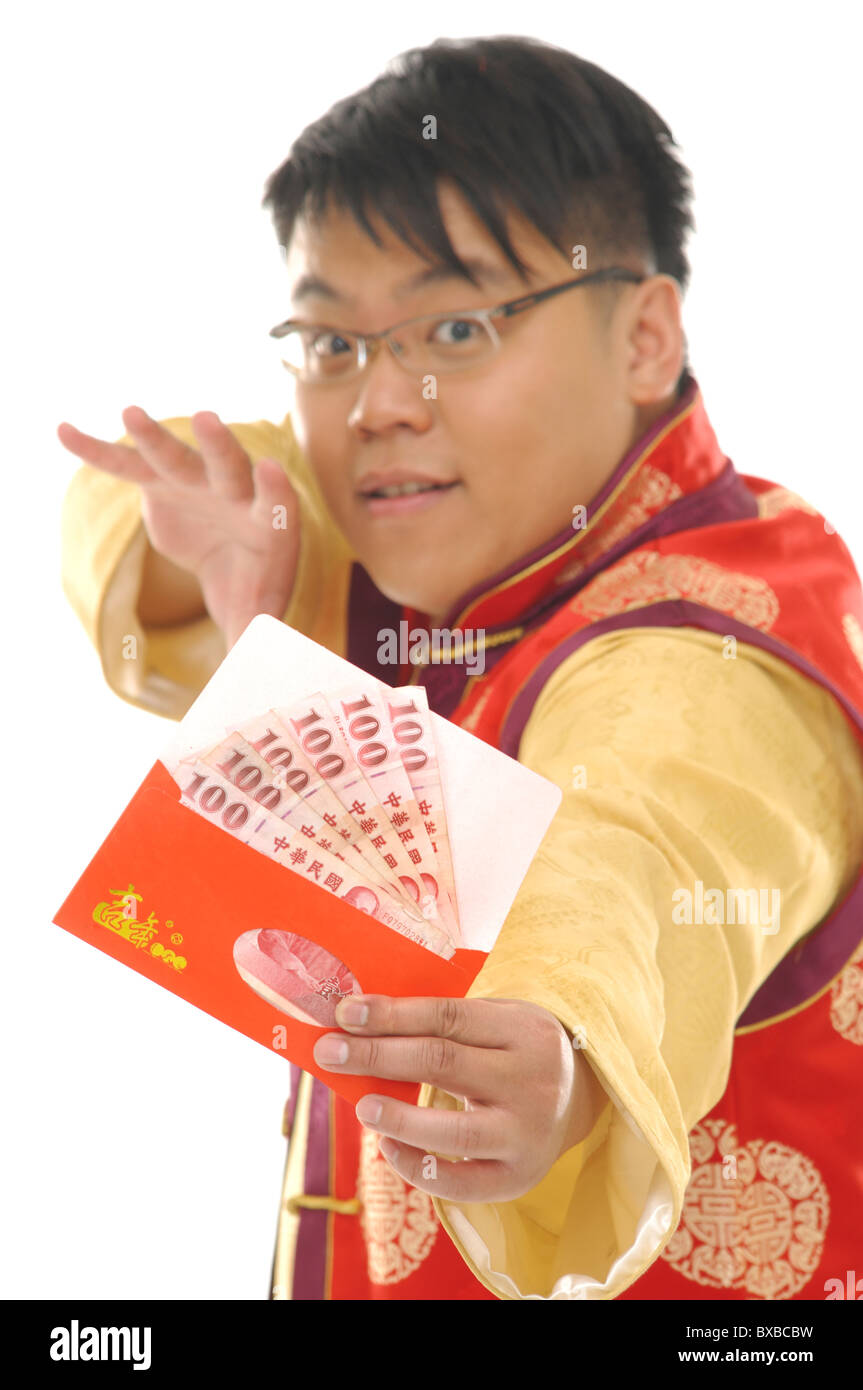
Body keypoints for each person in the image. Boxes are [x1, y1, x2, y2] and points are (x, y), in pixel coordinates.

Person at [58, 35, 863, 1301]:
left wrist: (555, 1035)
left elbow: (642, 841)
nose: (380, 402)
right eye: (329, 344)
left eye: (454, 326)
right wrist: (222, 588)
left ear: (647, 337)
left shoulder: (709, 645)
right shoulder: (442, 548)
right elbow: (137, 492)